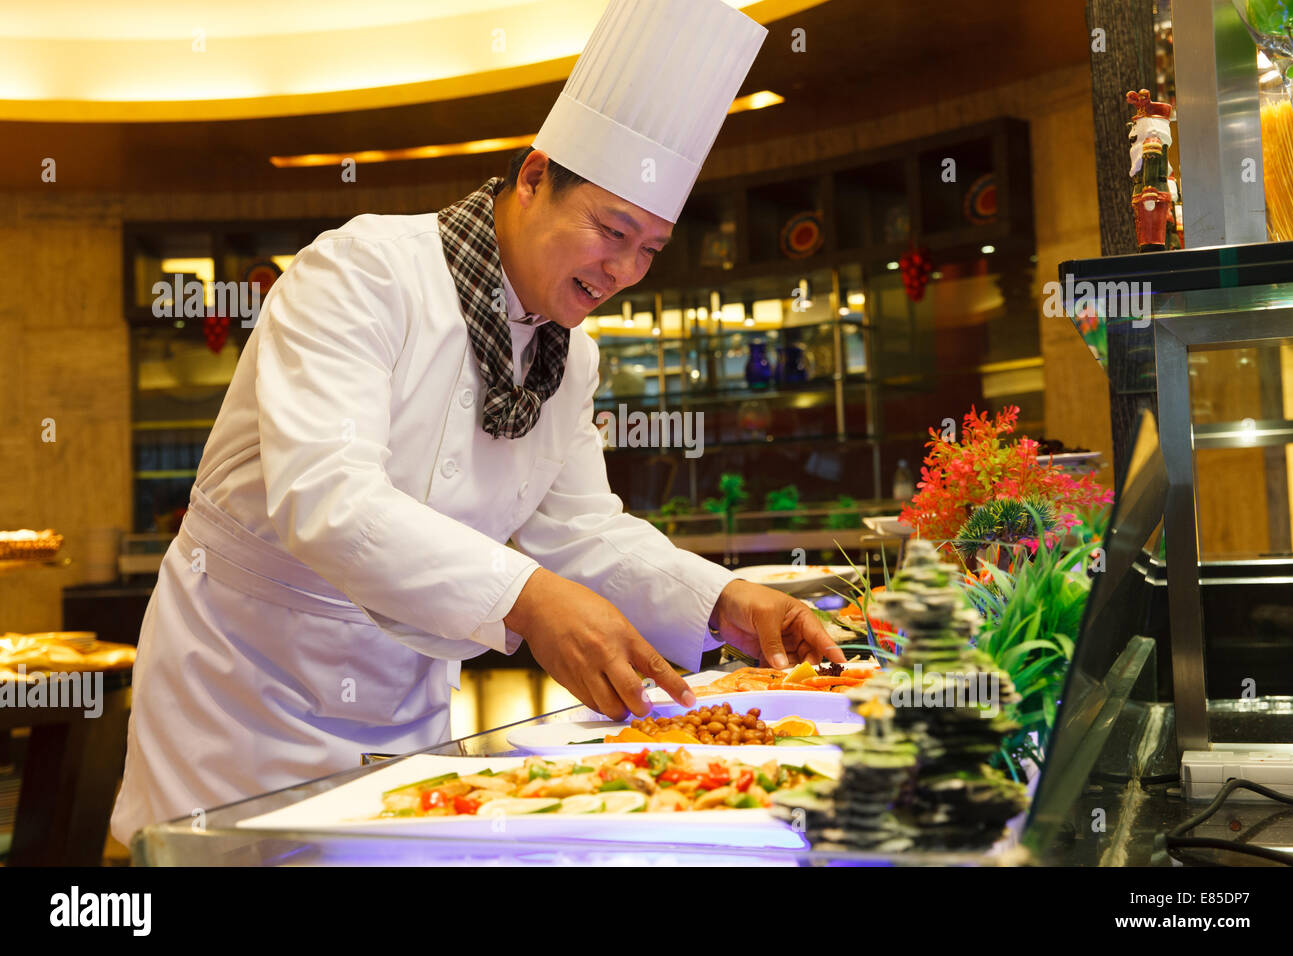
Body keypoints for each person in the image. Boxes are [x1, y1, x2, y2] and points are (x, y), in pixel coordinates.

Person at [110, 0, 844, 846]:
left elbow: (576, 531)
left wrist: (726, 602)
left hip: (406, 701)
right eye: (612, 229)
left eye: (650, 249)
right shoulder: (362, 271)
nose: (624, 269)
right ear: (533, 178)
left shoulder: (574, 353)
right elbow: (327, 498)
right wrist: (529, 600)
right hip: (241, 696)